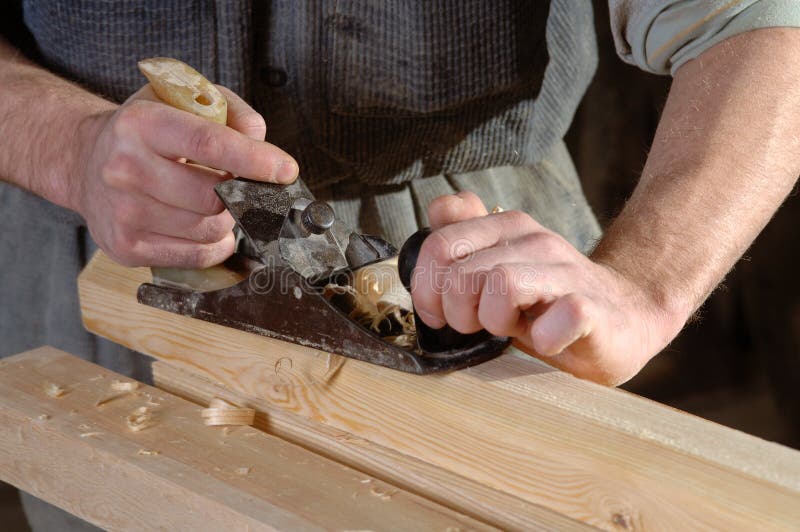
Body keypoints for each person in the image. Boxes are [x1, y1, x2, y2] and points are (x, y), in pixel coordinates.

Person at [1, 1, 799, 530]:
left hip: (477, 248)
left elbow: (760, 20)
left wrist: (647, 281)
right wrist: (70, 146)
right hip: (106, 235)